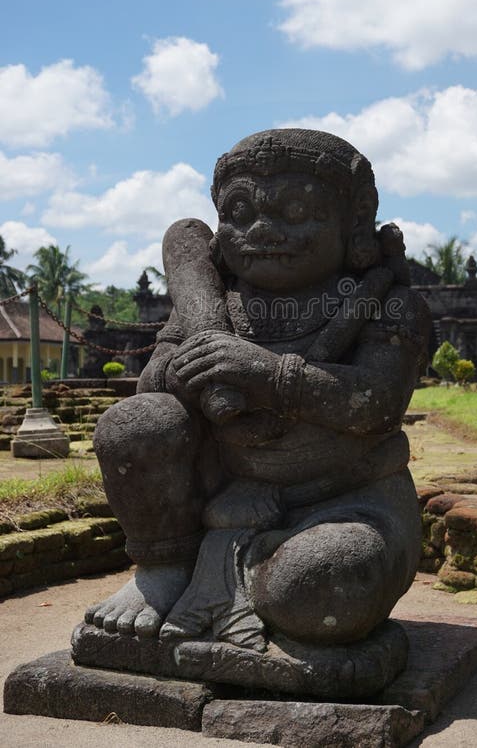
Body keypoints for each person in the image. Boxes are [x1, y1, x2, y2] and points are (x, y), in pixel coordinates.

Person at [85, 129, 430, 653]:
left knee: (325, 584)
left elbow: (378, 405)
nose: (263, 231)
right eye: (240, 212)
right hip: (221, 491)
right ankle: (165, 567)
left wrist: (269, 375)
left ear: (355, 220)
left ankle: (243, 570)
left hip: (346, 501)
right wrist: (188, 365)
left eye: (296, 210)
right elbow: (151, 385)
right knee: (135, 423)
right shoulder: (210, 304)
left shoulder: (388, 303)